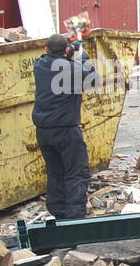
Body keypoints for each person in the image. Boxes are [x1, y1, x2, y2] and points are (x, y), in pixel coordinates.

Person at [32, 33, 96, 220]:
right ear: (66, 50)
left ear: (46, 49)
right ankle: (74, 218)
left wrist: (72, 50)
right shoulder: (72, 69)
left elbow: (53, 60)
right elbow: (92, 79)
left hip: (43, 131)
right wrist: (83, 58)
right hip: (66, 131)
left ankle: (58, 213)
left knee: (55, 172)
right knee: (76, 173)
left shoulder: (39, 65)